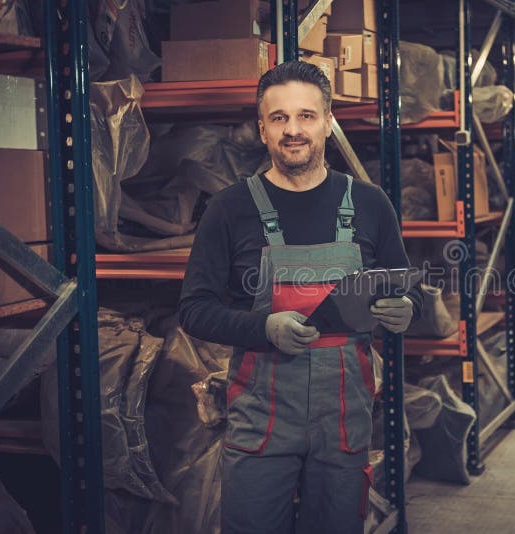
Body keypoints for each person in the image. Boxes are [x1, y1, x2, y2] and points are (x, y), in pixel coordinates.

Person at [178, 61, 422, 534]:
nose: (294, 130)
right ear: (262, 129)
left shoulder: (372, 205)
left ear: (329, 122)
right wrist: (262, 329)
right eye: (279, 118)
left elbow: (395, 286)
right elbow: (194, 309)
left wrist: (402, 313)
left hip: (345, 416)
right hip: (261, 417)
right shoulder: (229, 208)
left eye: (307, 116)